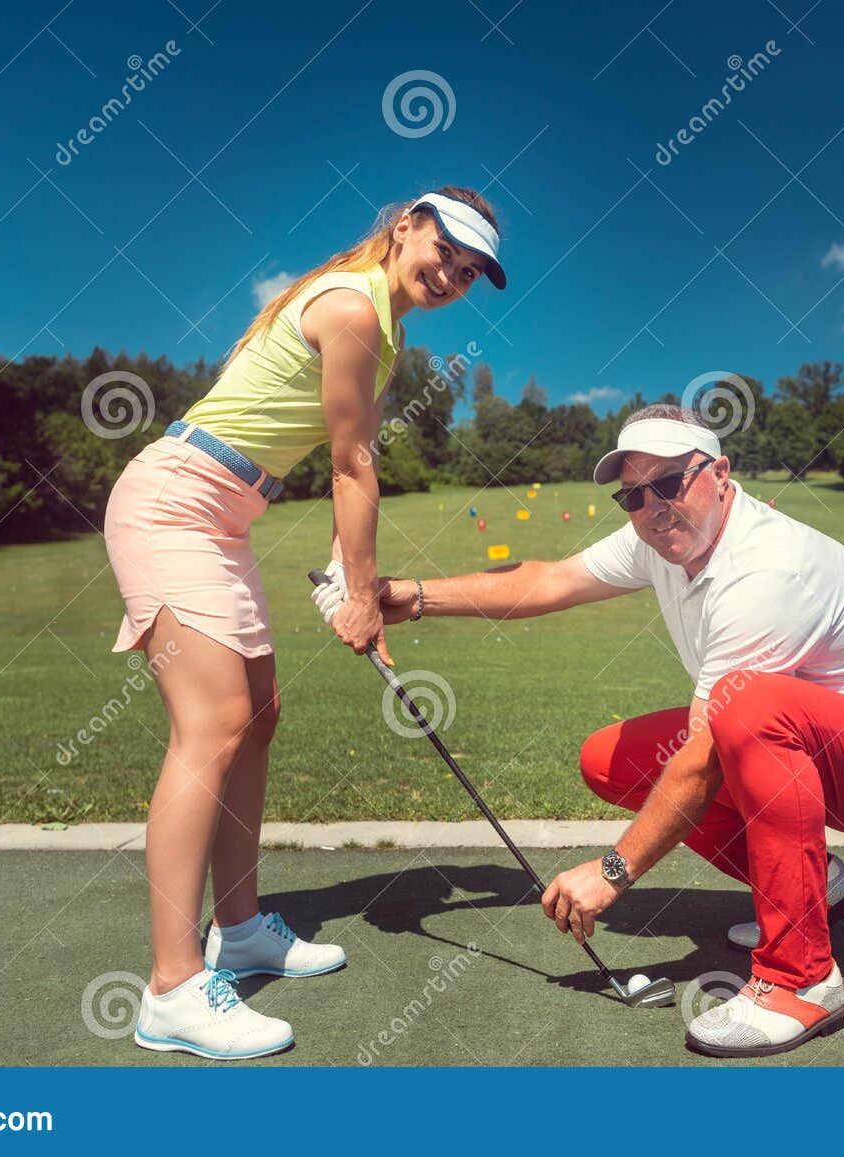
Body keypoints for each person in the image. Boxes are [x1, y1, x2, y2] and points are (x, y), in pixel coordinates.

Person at [315, 404, 844, 1058]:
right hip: (810, 744)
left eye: (669, 482)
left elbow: (706, 755)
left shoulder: (767, 568)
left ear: (721, 474)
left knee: (746, 710)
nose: (652, 507)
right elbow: (551, 580)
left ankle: (803, 978)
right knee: (611, 759)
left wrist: (613, 871)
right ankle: (814, 885)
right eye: (633, 494)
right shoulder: (660, 536)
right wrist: (412, 596)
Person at [102, 188, 506, 1059]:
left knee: (257, 717)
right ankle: (171, 988)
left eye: (470, 272)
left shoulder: (381, 328)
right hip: (175, 504)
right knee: (211, 726)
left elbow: (350, 462)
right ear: (406, 227)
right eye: (446, 251)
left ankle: (241, 927)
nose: (452, 275)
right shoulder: (354, 306)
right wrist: (359, 593)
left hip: (225, 516)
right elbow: (351, 465)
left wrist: (346, 580)